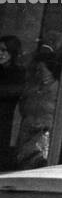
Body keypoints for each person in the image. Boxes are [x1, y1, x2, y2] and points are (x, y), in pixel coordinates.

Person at [15, 46, 59, 170]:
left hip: (45, 135)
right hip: (27, 133)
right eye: (36, 70)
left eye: (41, 70)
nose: (38, 73)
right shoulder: (33, 87)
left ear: (50, 70)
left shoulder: (58, 88)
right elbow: (23, 107)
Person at [0, 36, 23, 170]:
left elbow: (13, 92)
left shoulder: (18, 73)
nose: (0, 54)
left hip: (8, 121)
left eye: (4, 50)